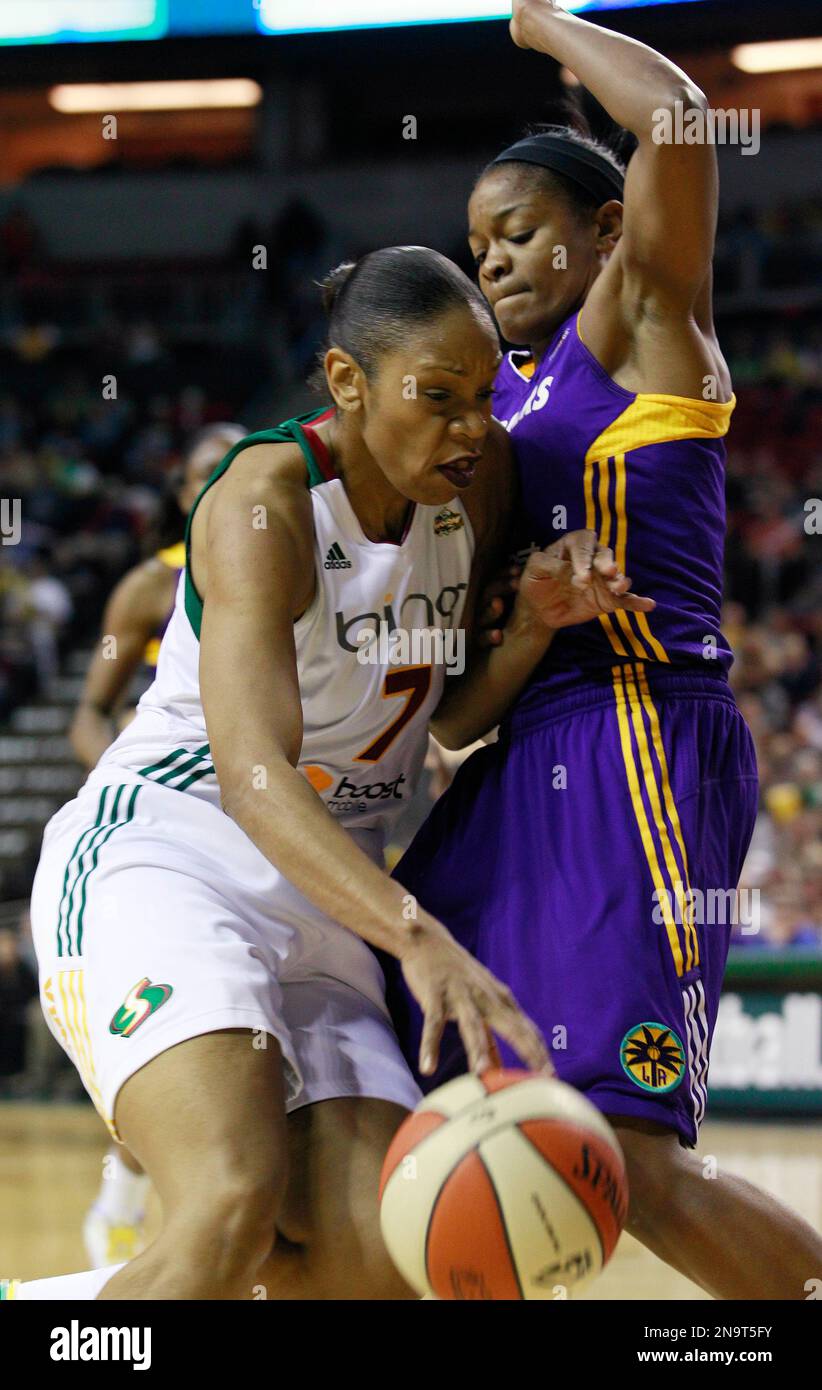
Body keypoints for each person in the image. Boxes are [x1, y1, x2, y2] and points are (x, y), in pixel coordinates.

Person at [12, 245, 649, 1302]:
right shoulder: (262, 501)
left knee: (382, 1259)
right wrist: (416, 934)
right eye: (435, 397)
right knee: (228, 1201)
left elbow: (442, 720)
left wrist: (533, 622)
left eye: (483, 398)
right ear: (347, 381)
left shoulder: (474, 484)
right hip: (169, 852)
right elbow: (254, 773)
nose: (470, 426)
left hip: (331, 891)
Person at [387, 2, 822, 1300]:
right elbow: (457, 717)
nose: (497, 261)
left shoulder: (638, 323)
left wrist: (539, 24)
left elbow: (679, 123)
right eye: (478, 246)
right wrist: (521, 619)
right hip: (517, 754)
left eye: (518, 231)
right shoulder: (495, 408)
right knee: (385, 1054)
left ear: (606, 231)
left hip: (638, 731)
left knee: (614, 1144)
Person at [69, 423, 245, 1270]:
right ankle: (124, 1201)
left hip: (268, 811)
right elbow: (90, 708)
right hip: (163, 812)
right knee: (169, 1033)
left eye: (237, 466)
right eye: (207, 473)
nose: (225, 482)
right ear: (183, 496)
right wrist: (123, 779)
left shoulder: (293, 554)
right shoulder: (148, 586)